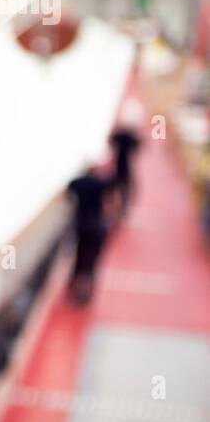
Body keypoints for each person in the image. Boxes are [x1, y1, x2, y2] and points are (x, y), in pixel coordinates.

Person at [65, 151, 114, 305]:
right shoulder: (101, 184)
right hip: (97, 227)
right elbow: (110, 202)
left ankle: (74, 291)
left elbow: (67, 197)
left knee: (80, 259)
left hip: (81, 226)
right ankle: (86, 293)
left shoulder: (77, 182)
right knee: (91, 262)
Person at [109, 99, 144, 222]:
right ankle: (122, 209)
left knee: (121, 187)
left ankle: (119, 209)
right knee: (125, 188)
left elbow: (111, 140)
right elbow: (139, 146)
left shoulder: (120, 135)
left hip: (119, 165)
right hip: (125, 166)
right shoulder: (131, 137)